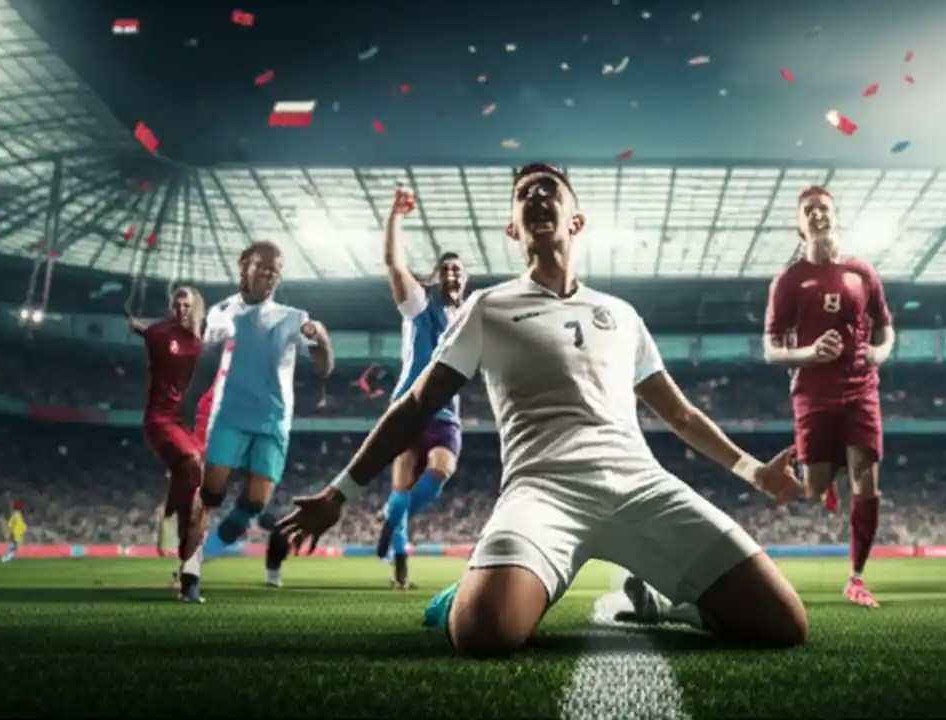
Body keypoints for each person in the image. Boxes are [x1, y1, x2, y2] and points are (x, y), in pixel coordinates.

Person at [278, 163, 808, 657]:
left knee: (784, 624)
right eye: (523, 194)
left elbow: (682, 415)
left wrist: (754, 470)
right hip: (543, 490)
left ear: (574, 219)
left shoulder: (621, 314)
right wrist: (339, 493)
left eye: (548, 190)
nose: (536, 196)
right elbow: (417, 404)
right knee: (481, 634)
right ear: (514, 229)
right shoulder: (488, 306)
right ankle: (464, 593)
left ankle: (669, 602)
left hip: (642, 484)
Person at [179, 241, 334, 603]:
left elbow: (324, 368)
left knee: (253, 503)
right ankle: (191, 573)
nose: (271, 275)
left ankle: (219, 547)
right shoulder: (222, 312)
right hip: (229, 417)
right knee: (211, 494)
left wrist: (323, 339)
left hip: (274, 423)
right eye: (264, 267)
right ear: (243, 266)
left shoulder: (293, 317)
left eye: (277, 270)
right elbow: (202, 357)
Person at [762, 186, 895, 608]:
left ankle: (856, 577)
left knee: (868, 481)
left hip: (860, 388)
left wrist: (878, 352)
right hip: (813, 393)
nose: (817, 214)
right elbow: (770, 350)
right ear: (800, 226)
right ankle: (826, 475)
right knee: (815, 488)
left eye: (823, 207)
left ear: (835, 216)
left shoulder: (862, 272)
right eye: (809, 210)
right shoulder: (788, 281)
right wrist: (809, 353)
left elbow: (886, 328)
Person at [373, 186, 469, 590]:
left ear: (466, 280)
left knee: (442, 468)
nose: (451, 274)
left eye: (457, 270)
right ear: (436, 276)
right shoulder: (419, 305)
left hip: (445, 411)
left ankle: (392, 516)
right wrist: (395, 216)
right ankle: (400, 566)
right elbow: (395, 265)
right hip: (408, 405)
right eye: (445, 269)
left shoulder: (470, 316)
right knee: (402, 481)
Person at [127, 286, 212, 588]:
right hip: (161, 419)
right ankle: (167, 519)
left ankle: (186, 566)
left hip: (190, 422)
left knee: (196, 489)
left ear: (196, 307)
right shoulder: (161, 333)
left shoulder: (204, 341)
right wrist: (138, 327)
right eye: (177, 303)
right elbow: (148, 332)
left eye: (187, 304)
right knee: (190, 463)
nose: (181, 308)